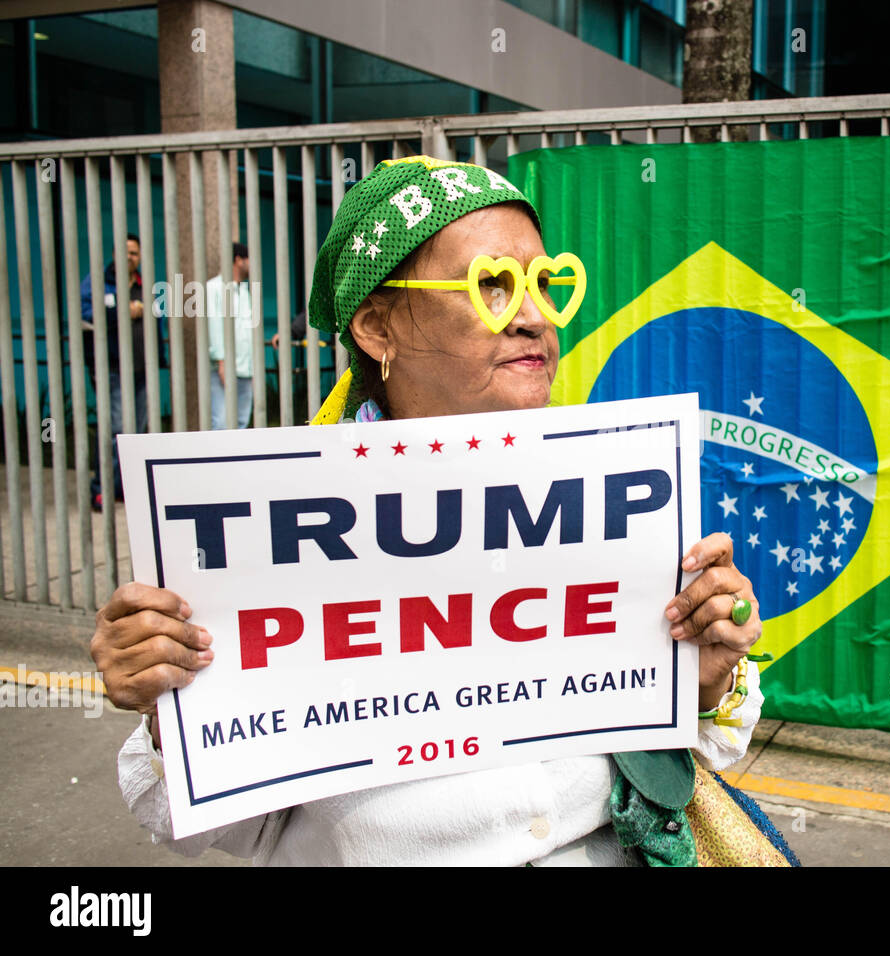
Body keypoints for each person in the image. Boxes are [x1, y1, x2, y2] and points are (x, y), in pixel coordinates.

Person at [92, 157, 764, 866]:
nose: (535, 318)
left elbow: (709, 747)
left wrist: (706, 675)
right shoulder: (261, 538)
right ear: (378, 328)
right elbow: (214, 828)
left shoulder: (611, 496)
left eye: (545, 284)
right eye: (493, 285)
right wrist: (171, 712)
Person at [81, 233, 148, 511]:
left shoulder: (143, 286)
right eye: (125, 252)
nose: (129, 258)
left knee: (137, 431)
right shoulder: (98, 283)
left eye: (134, 253)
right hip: (112, 368)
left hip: (142, 370)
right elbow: (85, 313)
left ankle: (123, 488)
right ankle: (101, 489)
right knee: (116, 430)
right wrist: (122, 311)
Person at [207, 242, 254, 429]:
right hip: (223, 370)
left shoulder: (244, 290)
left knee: (241, 424)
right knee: (221, 424)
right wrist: (221, 362)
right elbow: (214, 324)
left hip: (245, 370)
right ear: (238, 260)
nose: (252, 265)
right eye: (249, 260)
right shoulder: (213, 288)